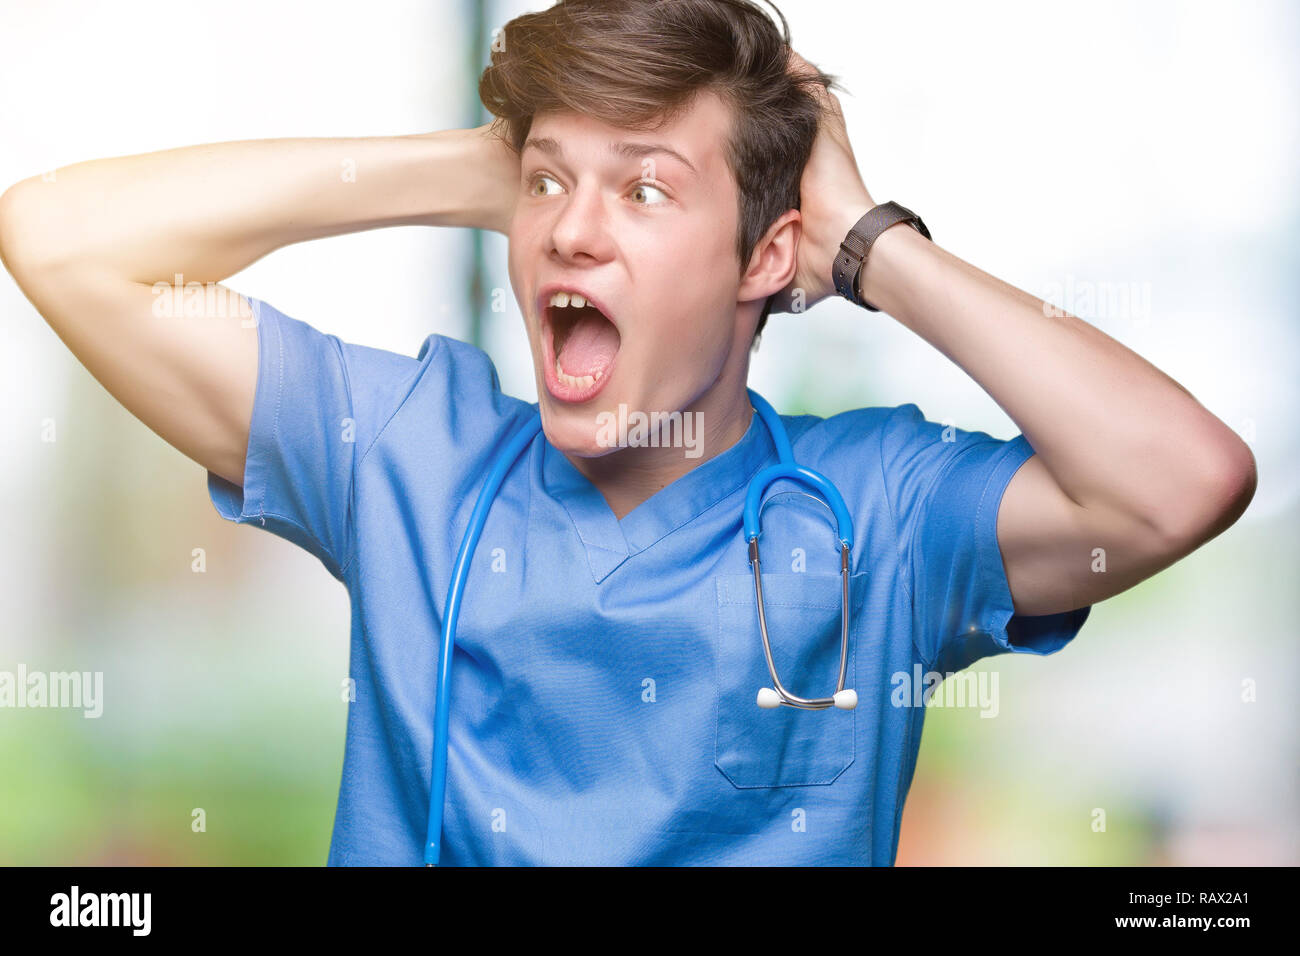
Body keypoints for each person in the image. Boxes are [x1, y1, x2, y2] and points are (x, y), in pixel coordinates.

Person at [0, 0, 1255, 866]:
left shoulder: (877, 510)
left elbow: (1180, 481)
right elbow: (62, 241)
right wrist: (478, 165)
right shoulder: (405, 455)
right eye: (547, 187)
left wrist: (871, 244)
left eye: (648, 190)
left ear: (766, 254)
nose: (572, 232)